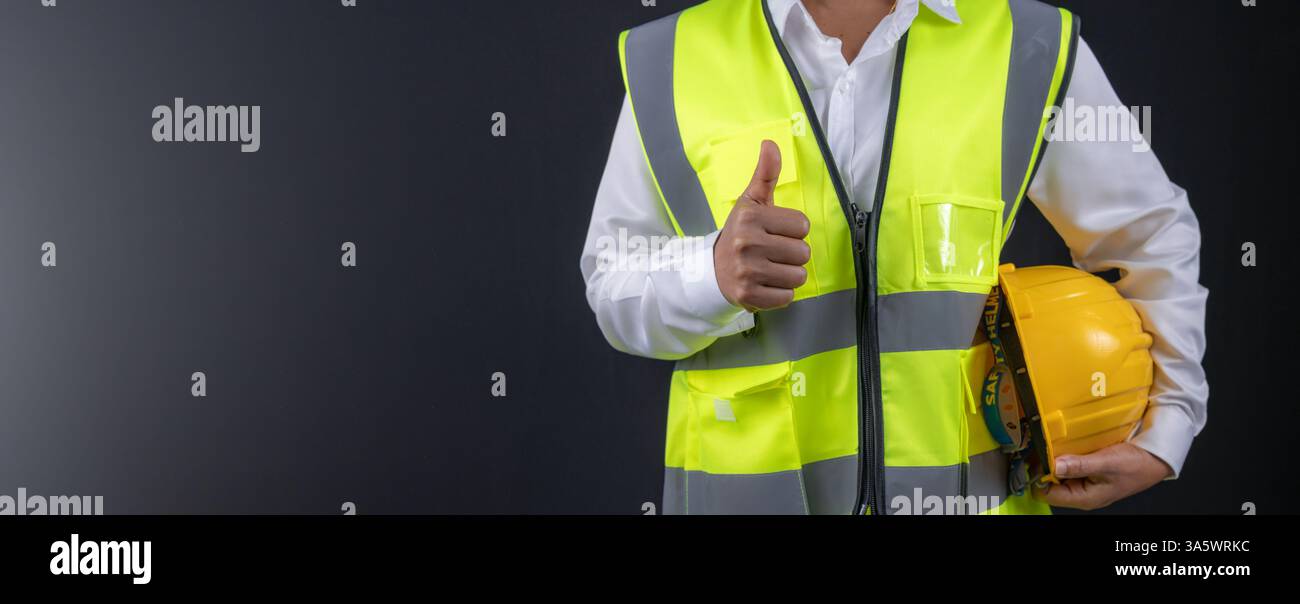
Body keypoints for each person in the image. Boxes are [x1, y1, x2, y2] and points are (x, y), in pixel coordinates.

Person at [580, 0, 1207, 514]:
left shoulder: (1026, 45)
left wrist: (1166, 430)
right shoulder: (674, 59)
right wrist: (709, 274)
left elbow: (1146, 233)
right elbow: (613, 279)